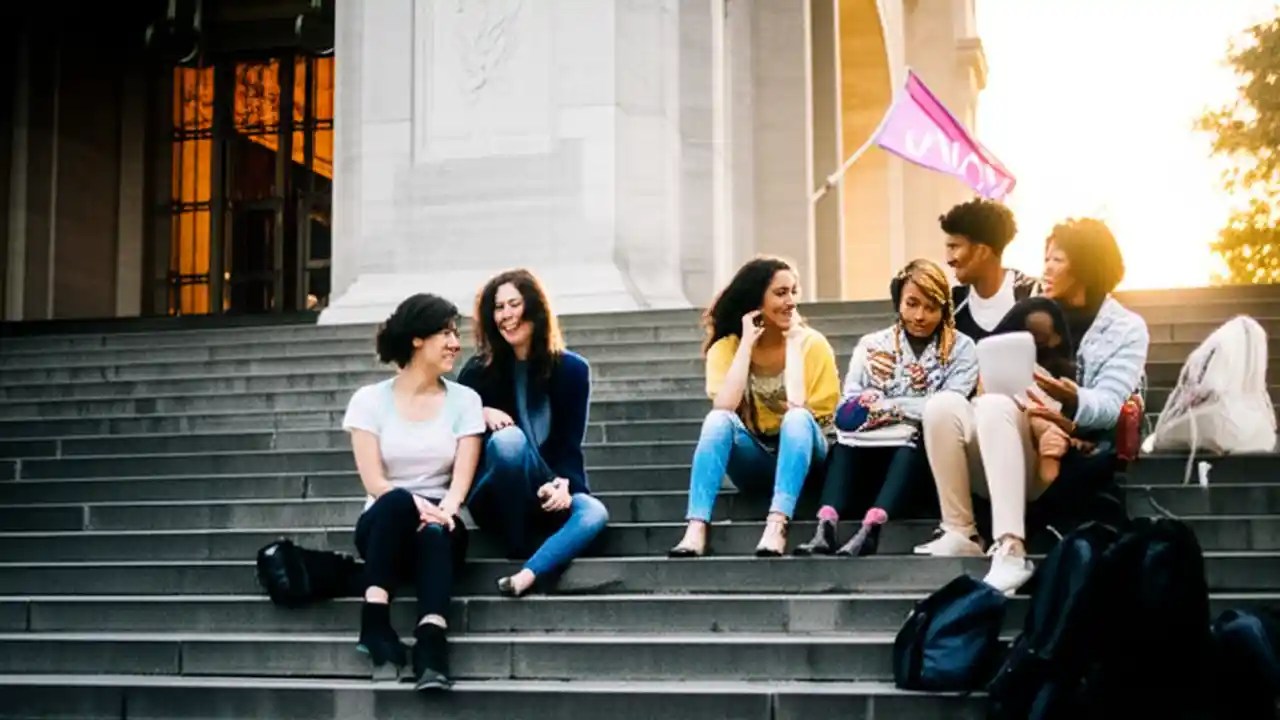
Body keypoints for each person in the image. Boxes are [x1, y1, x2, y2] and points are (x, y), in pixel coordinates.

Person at [916, 218, 1149, 595]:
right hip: (1012, 445)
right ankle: (960, 529)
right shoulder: (1029, 312)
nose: (1046, 268)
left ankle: (1010, 548)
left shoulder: (1126, 328)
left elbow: (1108, 406)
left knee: (993, 407)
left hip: (1064, 462)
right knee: (944, 406)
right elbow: (992, 373)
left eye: (1057, 259)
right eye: (1046, 258)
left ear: (1086, 265)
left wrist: (1072, 398)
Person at [342, 293, 483, 690]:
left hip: (440, 526)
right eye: (445, 332)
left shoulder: (465, 401)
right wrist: (418, 505)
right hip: (384, 526)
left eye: (456, 333)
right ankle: (374, 624)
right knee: (397, 500)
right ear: (417, 339)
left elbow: (459, 484)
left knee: (438, 531)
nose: (456, 342)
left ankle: (431, 642)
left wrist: (445, 511)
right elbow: (375, 483)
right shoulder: (369, 400)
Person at [795, 259, 978, 556]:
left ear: (944, 308)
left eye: (931, 307)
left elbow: (948, 405)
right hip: (868, 450)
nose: (920, 316)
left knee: (913, 440)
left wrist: (887, 407)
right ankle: (825, 528)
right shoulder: (872, 344)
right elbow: (850, 401)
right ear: (898, 303)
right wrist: (880, 408)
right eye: (912, 304)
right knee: (844, 444)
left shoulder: (962, 348)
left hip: (920, 461)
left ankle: (871, 529)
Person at [667, 256, 840, 558]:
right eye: (780, 293)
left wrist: (795, 344)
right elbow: (725, 405)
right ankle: (696, 527)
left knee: (797, 417)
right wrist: (746, 345)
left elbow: (800, 405)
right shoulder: (728, 347)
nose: (790, 302)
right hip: (757, 460)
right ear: (756, 298)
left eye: (793, 292)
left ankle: (777, 524)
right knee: (718, 420)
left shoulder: (812, 344)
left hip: (809, 458)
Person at [457, 269, 609, 598]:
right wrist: (478, 412)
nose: (507, 316)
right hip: (496, 494)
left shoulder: (572, 370)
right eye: (498, 308)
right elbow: (449, 426)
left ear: (535, 308)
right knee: (509, 440)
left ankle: (527, 574)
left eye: (514, 304)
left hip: (545, 487)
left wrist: (565, 485)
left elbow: (569, 445)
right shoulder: (476, 372)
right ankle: (518, 542)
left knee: (595, 511)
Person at [940, 198, 1041, 341]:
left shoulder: (1032, 295)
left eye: (954, 247)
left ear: (982, 252)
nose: (949, 259)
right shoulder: (952, 306)